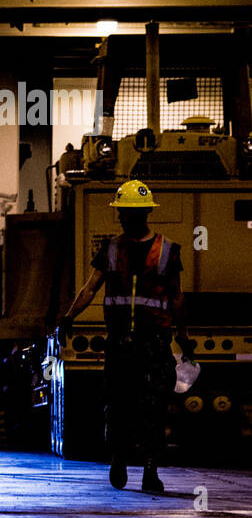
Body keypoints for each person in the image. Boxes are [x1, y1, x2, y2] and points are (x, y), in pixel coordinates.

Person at [57, 179, 192, 493]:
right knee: (119, 406)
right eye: (122, 212)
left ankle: (149, 470)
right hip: (120, 344)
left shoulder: (168, 251)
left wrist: (183, 335)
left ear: (143, 213)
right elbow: (90, 287)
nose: (123, 217)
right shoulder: (111, 248)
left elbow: (177, 297)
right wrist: (69, 316)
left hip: (154, 343)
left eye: (127, 212)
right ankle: (119, 457)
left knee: (153, 408)